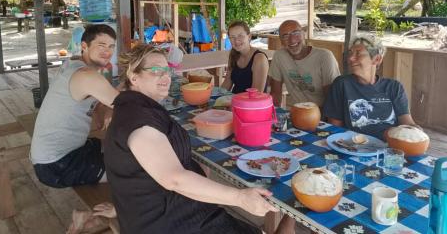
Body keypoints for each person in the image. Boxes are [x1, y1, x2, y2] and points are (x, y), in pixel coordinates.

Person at [103, 44, 295, 234]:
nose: (165, 77)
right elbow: (174, 179)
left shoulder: (135, 108)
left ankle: (290, 216)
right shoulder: (139, 122)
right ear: (134, 77)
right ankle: (292, 215)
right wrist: (239, 198)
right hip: (169, 221)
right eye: (155, 70)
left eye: (167, 70)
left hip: (164, 211)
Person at [30, 24, 119, 188]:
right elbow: (129, 105)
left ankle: (83, 215)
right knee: (132, 170)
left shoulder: (72, 65)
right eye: (101, 45)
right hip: (56, 164)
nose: (108, 51)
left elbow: (109, 101)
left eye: (111, 46)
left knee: (114, 145)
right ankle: (92, 214)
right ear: (84, 46)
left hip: (59, 152)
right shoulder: (86, 76)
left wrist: (109, 109)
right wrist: (114, 107)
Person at [323, 34, 418, 140]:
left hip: (390, 146)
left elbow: (407, 123)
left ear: (377, 59)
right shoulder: (342, 85)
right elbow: (335, 128)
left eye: (358, 54)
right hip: (354, 146)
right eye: (350, 53)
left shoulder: (394, 87)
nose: (350, 58)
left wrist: (417, 132)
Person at [269, 20, 340, 108]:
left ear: (304, 34)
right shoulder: (279, 56)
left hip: (321, 115)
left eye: (296, 33)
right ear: (281, 41)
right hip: (294, 112)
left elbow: (332, 99)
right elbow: (275, 94)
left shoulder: (325, 57)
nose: (292, 40)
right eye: (285, 36)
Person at [221, 20, 269, 93]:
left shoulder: (259, 58)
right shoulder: (233, 54)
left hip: (251, 102)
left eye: (240, 36)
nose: (236, 40)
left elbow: (256, 94)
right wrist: (217, 97)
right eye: (232, 37)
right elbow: (227, 82)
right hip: (234, 100)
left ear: (249, 37)